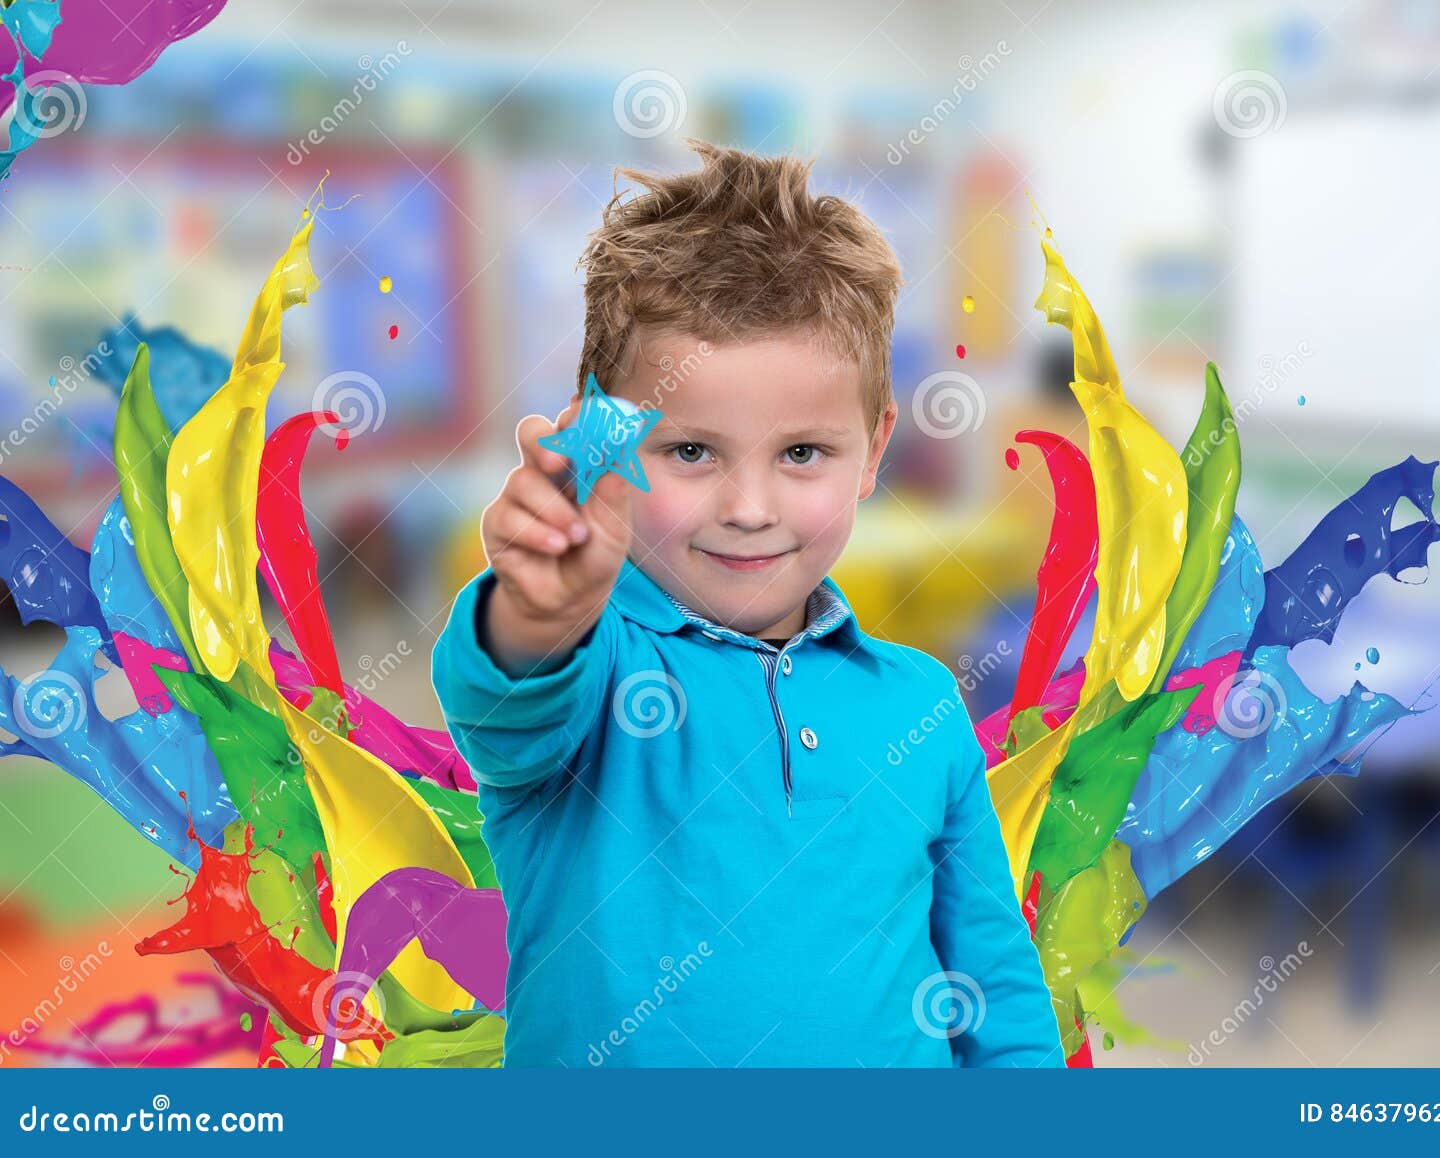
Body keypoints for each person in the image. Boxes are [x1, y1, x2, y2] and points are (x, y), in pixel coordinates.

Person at [432, 140, 1062, 1068]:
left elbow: (996, 989)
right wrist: (541, 608)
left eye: (802, 453)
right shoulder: (594, 676)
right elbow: (508, 695)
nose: (751, 509)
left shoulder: (923, 706)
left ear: (875, 447)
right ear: (601, 433)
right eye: (692, 452)